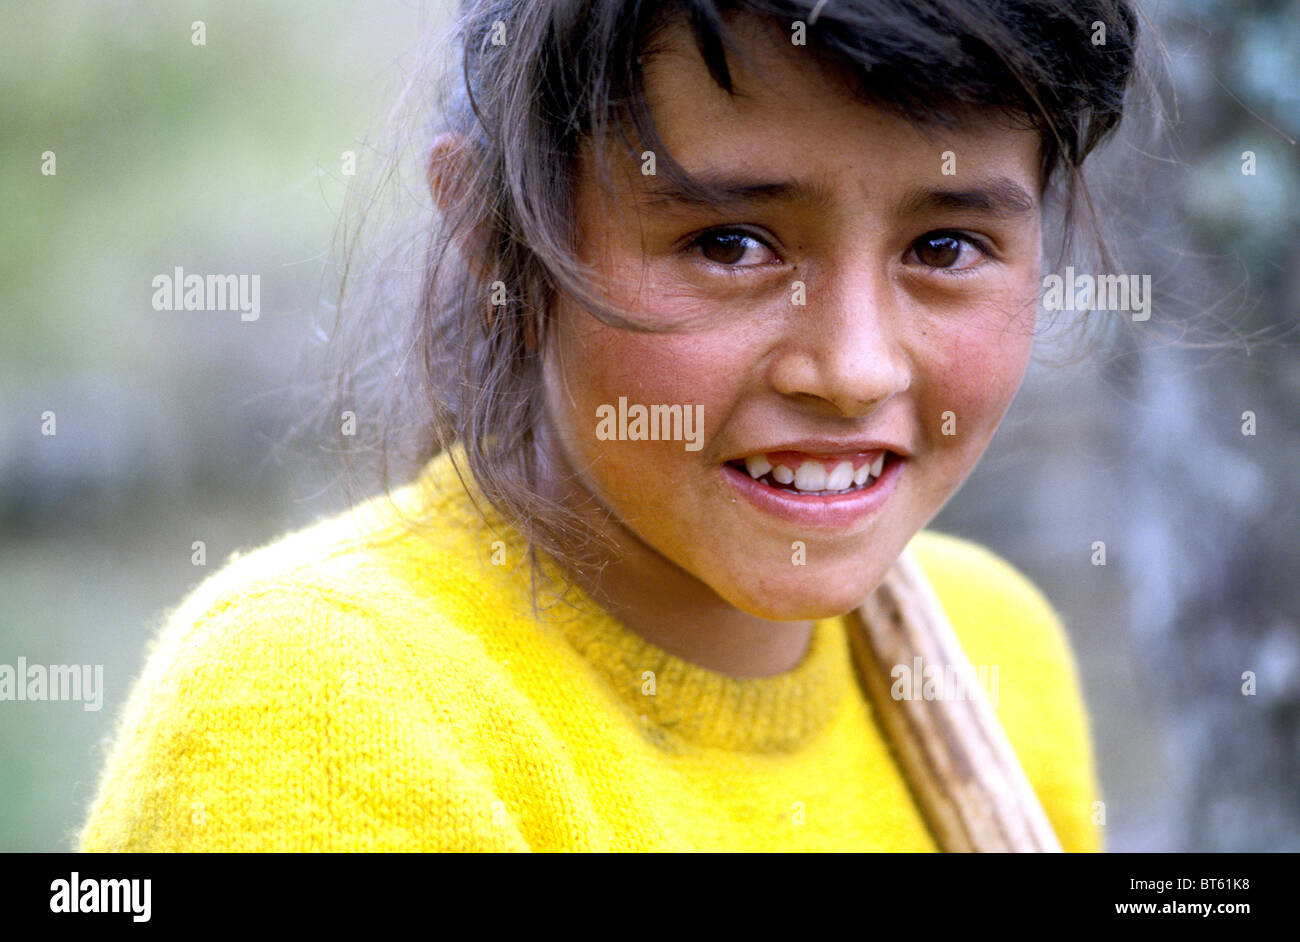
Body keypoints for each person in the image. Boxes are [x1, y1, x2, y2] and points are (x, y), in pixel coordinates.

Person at [79, 0, 1140, 851]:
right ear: (497, 239)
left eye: (946, 248)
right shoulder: (321, 712)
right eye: (730, 242)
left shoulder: (995, 649)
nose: (853, 370)